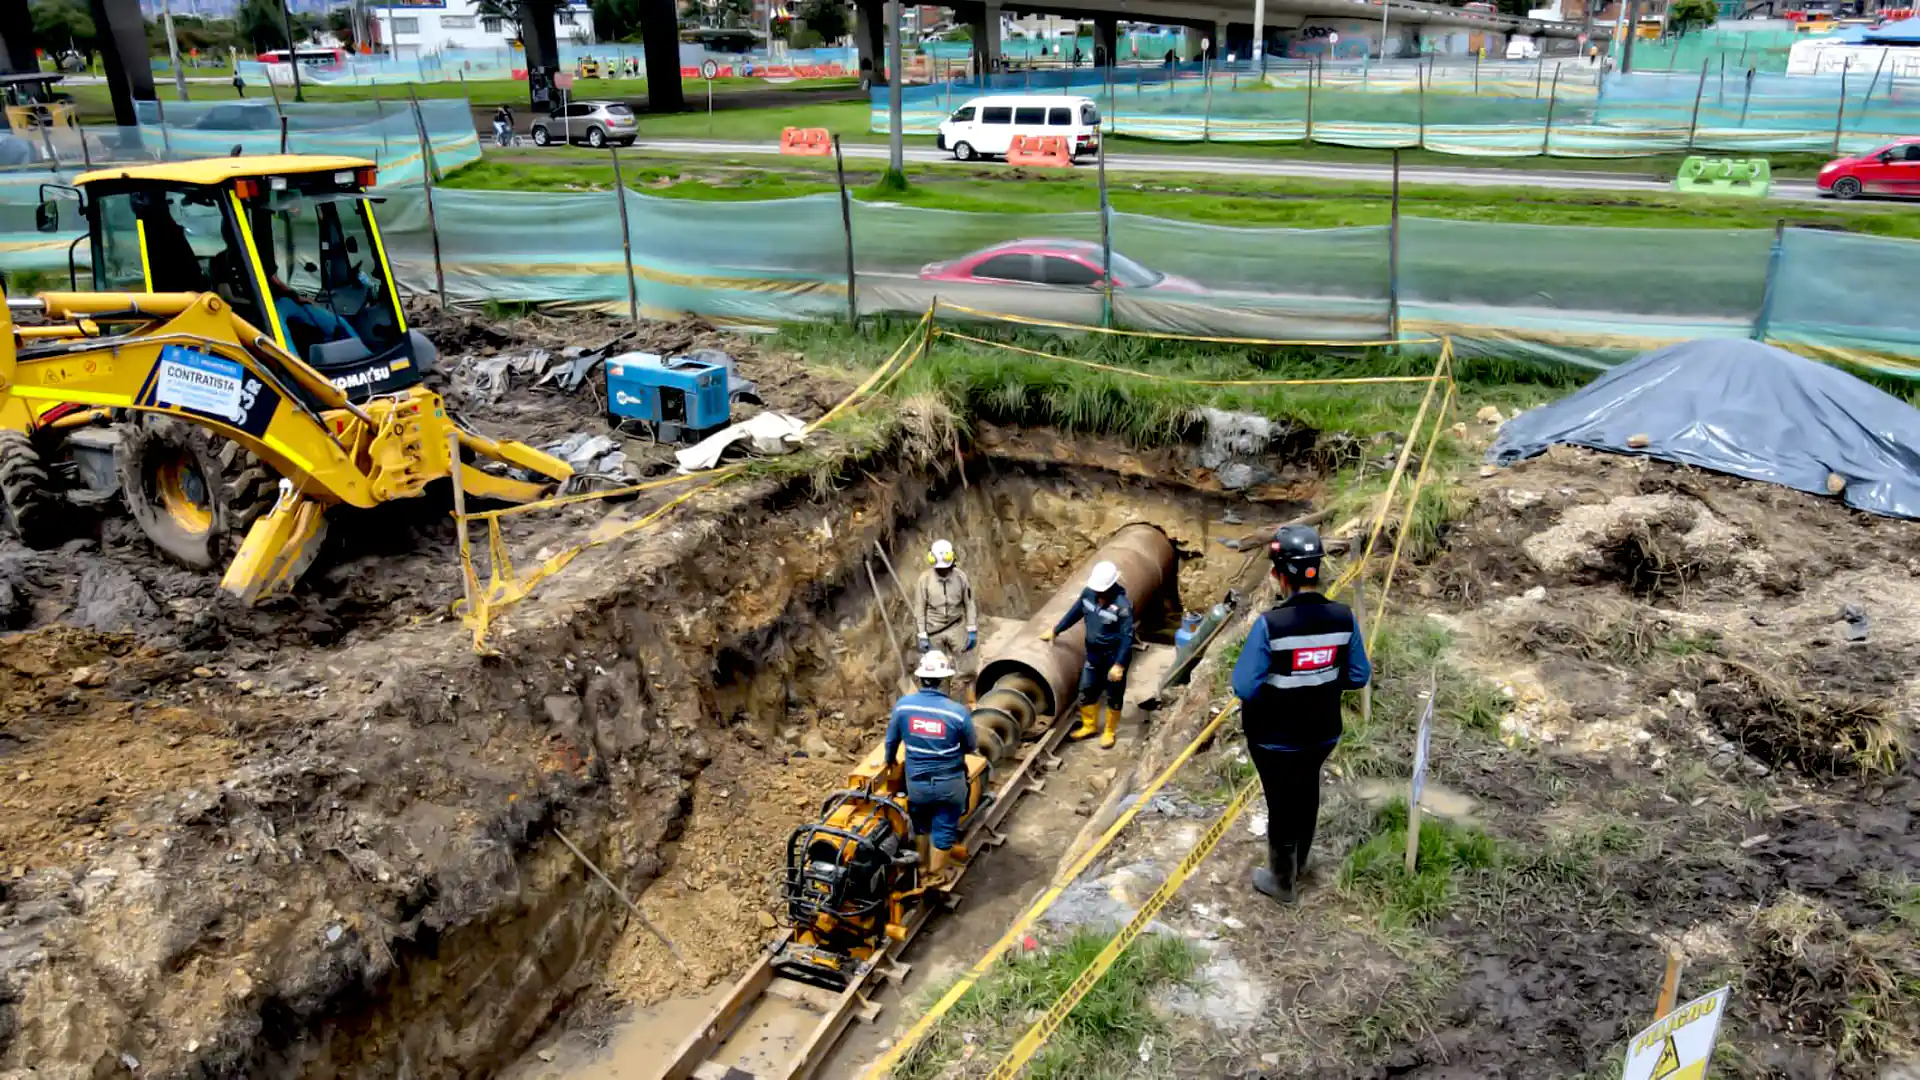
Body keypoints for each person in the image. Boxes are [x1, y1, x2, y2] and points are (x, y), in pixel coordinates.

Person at [1229, 523, 1371, 905]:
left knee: (1280, 802)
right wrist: (1319, 678)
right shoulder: (1342, 618)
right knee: (1308, 790)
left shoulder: (1270, 626)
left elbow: (1244, 686)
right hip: (1322, 731)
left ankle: (1282, 881)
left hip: (1274, 737)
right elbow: (1359, 675)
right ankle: (1302, 863)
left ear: (1278, 576)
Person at [884, 650, 976, 885]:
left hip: (917, 784)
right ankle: (936, 875)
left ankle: (922, 870)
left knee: (921, 825)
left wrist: (889, 760)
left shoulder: (903, 707)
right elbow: (970, 746)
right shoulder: (958, 713)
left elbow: (891, 741)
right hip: (949, 783)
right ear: (944, 680)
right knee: (944, 826)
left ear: (921, 678)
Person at [1039, 560, 1133, 749]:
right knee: (1086, 690)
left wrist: (1120, 665)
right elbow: (1075, 612)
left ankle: (1109, 731)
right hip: (1094, 656)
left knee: (1113, 695)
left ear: (1111, 586)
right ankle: (1089, 725)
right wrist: (1056, 630)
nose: (1099, 593)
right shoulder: (1089, 594)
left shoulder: (1122, 606)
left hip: (1113, 658)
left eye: (1102, 590)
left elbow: (1127, 637)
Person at [914, 539, 979, 690]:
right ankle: (943, 702)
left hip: (955, 626)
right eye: (940, 569)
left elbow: (969, 604)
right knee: (937, 673)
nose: (943, 572)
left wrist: (971, 629)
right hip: (933, 630)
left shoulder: (961, 578)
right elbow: (920, 609)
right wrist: (922, 635)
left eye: (946, 569)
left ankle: (971, 701)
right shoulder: (924, 580)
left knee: (968, 666)